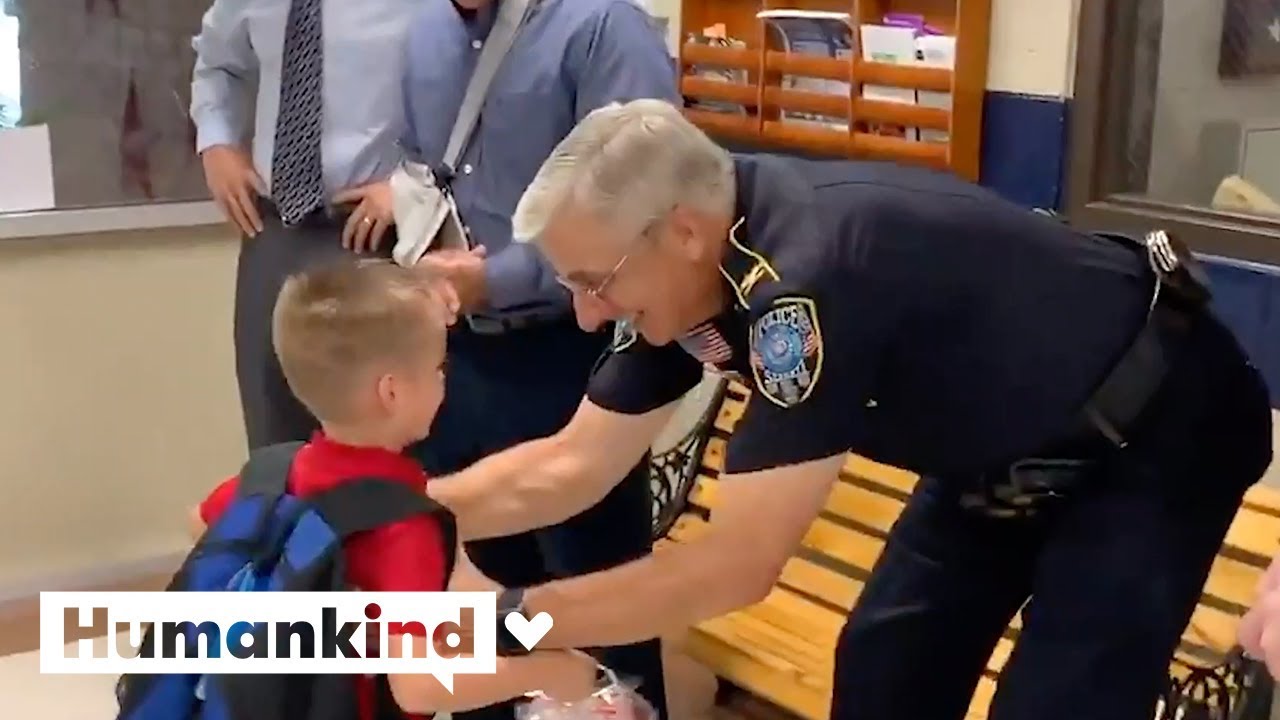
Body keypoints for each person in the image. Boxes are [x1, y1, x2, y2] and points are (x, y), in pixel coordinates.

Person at [424, 99, 1276, 720]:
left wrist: (506, 619)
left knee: (1061, 700)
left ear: (681, 230)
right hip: (997, 453)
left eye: (595, 283)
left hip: (1156, 429)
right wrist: (398, 505)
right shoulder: (681, 268)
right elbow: (574, 464)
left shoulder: (808, 280)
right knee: (884, 671)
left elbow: (733, 568)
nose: (585, 314)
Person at [371, 2, 679, 718]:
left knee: (600, 592)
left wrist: (500, 276)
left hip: (572, 343)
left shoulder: (601, 27)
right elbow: (417, 167)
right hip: (455, 355)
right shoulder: (422, 33)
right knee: (475, 596)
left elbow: (642, 200)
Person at [189, 258, 599, 719]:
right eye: (438, 367)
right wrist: (545, 674)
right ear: (392, 393)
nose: (445, 379)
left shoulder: (271, 474)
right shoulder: (402, 526)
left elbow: (199, 523)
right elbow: (419, 687)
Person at [190, 0, 422, 450]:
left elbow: (475, 89)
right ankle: (292, 523)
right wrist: (217, 141)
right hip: (274, 229)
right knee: (275, 434)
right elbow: (218, 64)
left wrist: (411, 186)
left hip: (377, 236)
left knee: (382, 439)